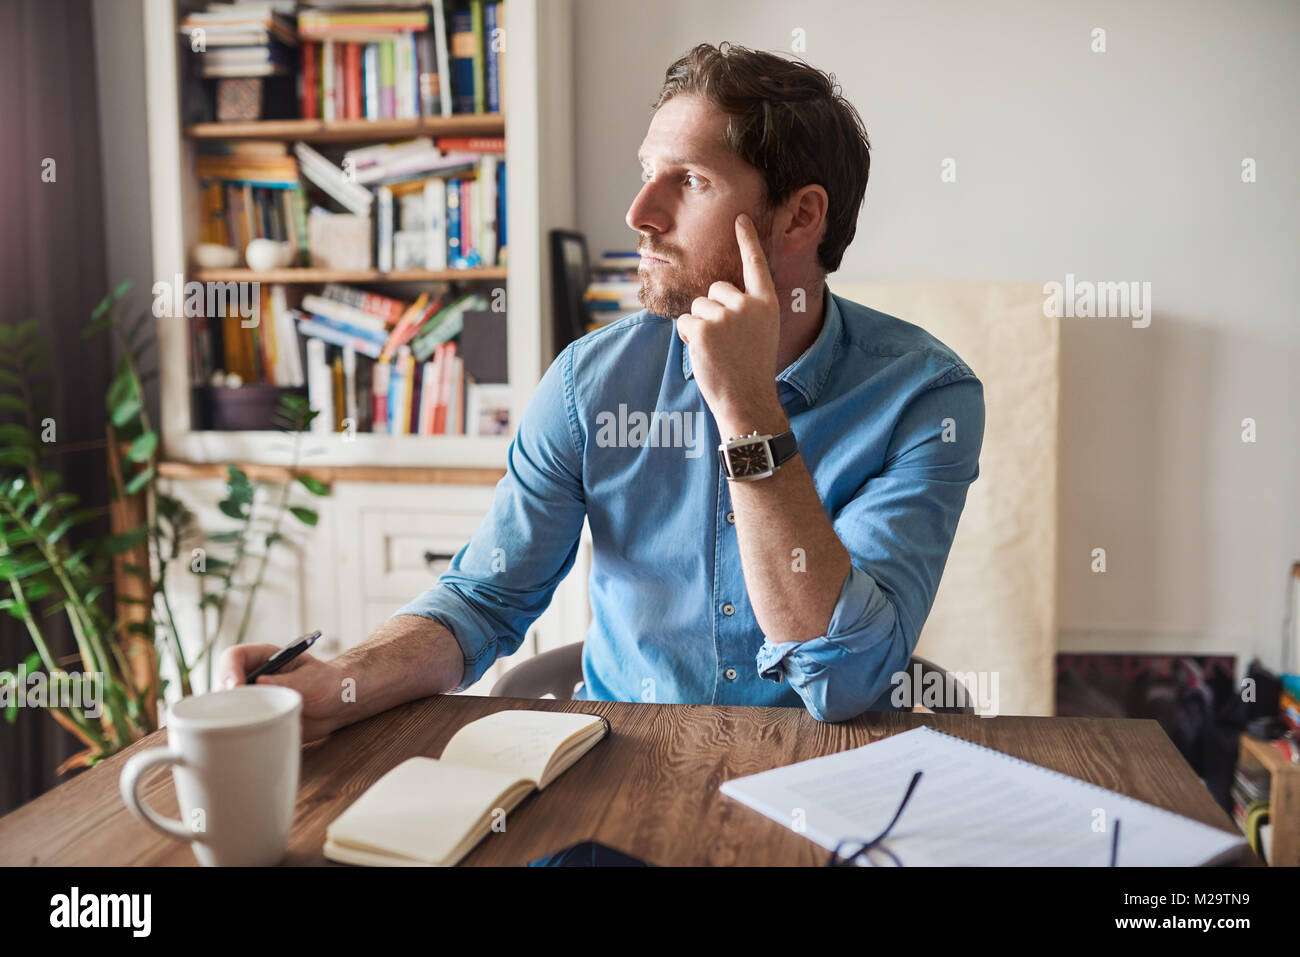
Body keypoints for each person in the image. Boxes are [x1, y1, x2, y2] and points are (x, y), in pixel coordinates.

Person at [220, 41, 984, 740]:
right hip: (622, 776)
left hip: (829, 781)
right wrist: (339, 680)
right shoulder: (591, 382)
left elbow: (843, 680)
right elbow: (484, 599)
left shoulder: (924, 397)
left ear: (801, 217)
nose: (639, 214)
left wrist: (747, 411)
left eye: (690, 181)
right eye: (646, 172)